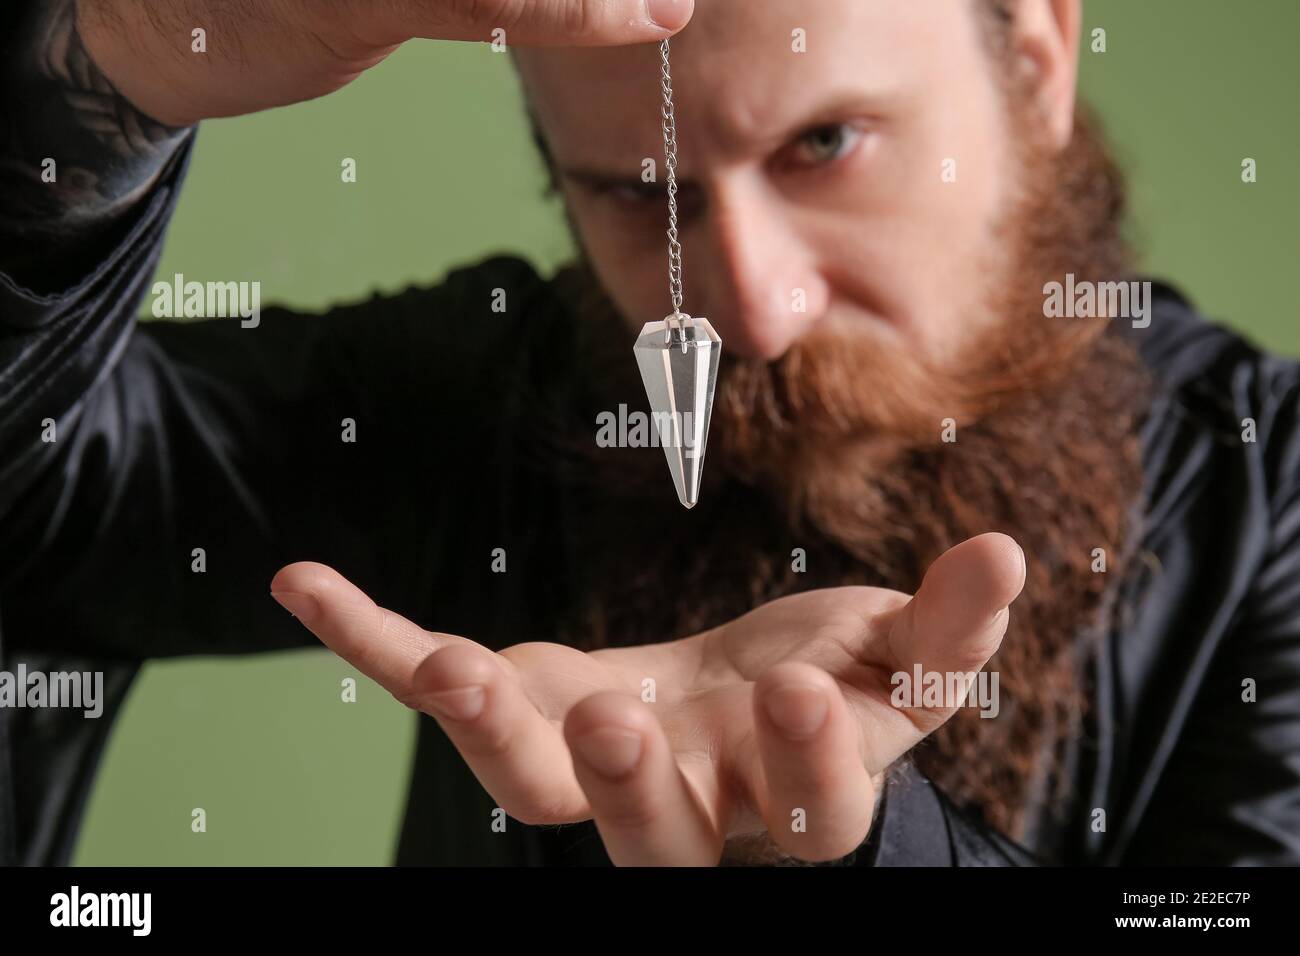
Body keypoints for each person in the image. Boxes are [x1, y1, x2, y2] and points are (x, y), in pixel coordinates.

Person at [1, 0, 1297, 867]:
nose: (747, 305)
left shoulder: (1272, 492)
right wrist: (113, 70)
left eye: (825, 143)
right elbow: (34, 503)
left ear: (1036, 58)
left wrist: (878, 848)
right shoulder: (504, 390)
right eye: (637, 193)